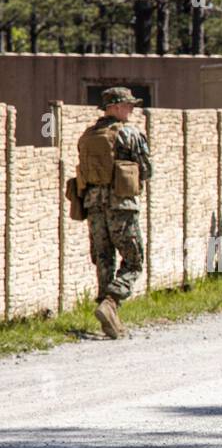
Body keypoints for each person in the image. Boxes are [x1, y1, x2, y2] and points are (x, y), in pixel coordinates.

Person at [76, 87, 152, 339]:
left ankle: (108, 317)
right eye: (128, 105)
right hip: (122, 206)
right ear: (115, 107)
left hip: (94, 207)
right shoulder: (129, 133)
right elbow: (146, 170)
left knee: (104, 259)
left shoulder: (87, 136)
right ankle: (111, 302)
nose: (131, 109)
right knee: (134, 261)